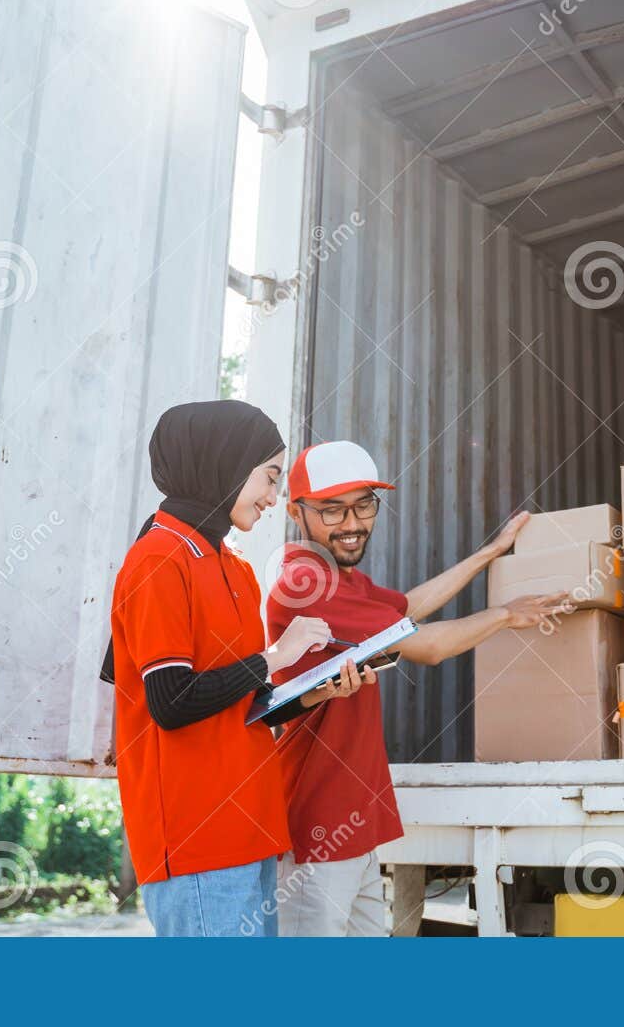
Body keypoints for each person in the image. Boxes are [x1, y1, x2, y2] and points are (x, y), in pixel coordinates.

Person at [265, 439, 571, 936]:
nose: (352, 523)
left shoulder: (344, 580)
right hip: (316, 819)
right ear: (297, 512)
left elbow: (405, 609)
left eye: (364, 504)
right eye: (332, 510)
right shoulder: (305, 580)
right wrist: (506, 614)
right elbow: (423, 645)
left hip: (352, 821)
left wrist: (489, 555)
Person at [104, 401, 371, 937]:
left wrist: (317, 692)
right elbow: (172, 703)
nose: (274, 498)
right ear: (222, 464)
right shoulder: (159, 560)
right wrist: (276, 656)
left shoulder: (236, 570)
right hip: (195, 837)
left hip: (252, 829)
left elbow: (244, 705)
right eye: (269, 478)